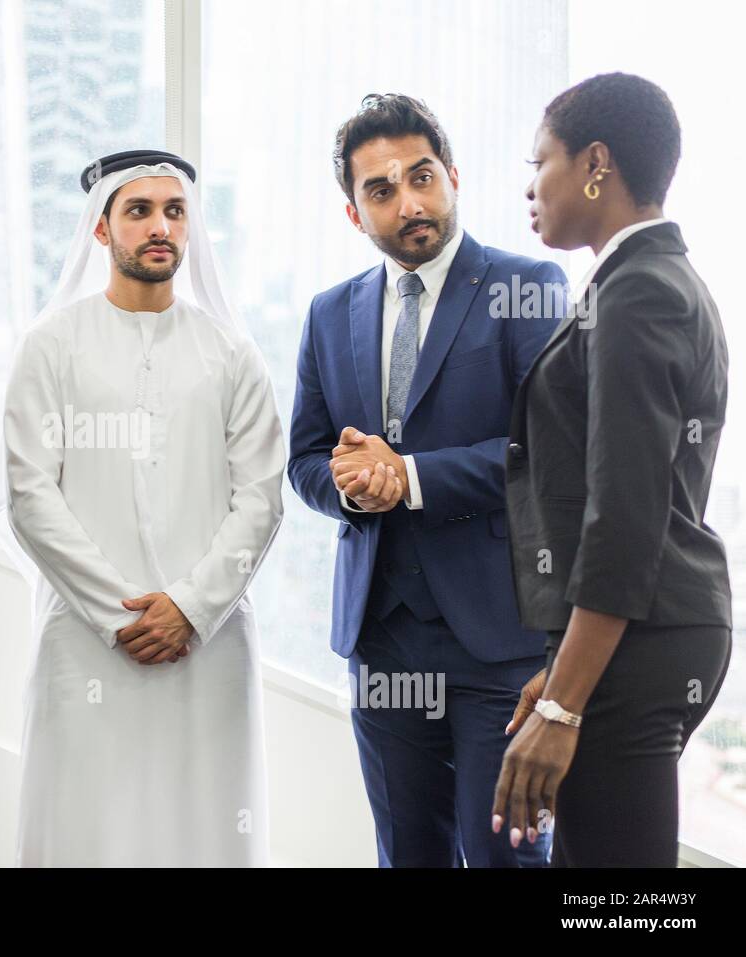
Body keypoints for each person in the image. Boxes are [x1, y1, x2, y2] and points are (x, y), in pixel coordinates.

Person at [287, 94, 568, 867]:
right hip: (382, 640)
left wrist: (406, 474)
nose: (408, 202)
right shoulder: (327, 312)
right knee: (406, 852)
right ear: (354, 213)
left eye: (421, 177)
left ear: (453, 176)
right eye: (380, 190)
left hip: (500, 645)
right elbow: (306, 460)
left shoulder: (529, 287)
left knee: (503, 854)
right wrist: (350, 484)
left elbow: (544, 453)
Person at [0, 149, 284, 867]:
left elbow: (262, 499)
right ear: (101, 230)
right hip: (86, 640)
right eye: (140, 210)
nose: (161, 226)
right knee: (86, 831)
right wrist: (123, 615)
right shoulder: (50, 345)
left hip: (208, 643)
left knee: (205, 829)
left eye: (175, 211)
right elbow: (30, 496)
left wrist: (188, 607)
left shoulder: (231, 351)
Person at [495, 73, 732, 867]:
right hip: (637, 631)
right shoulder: (642, 282)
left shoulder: (639, 292)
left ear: (596, 162)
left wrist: (565, 703)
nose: (530, 186)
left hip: (643, 634)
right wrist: (560, 675)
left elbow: (624, 512)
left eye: (541, 162)